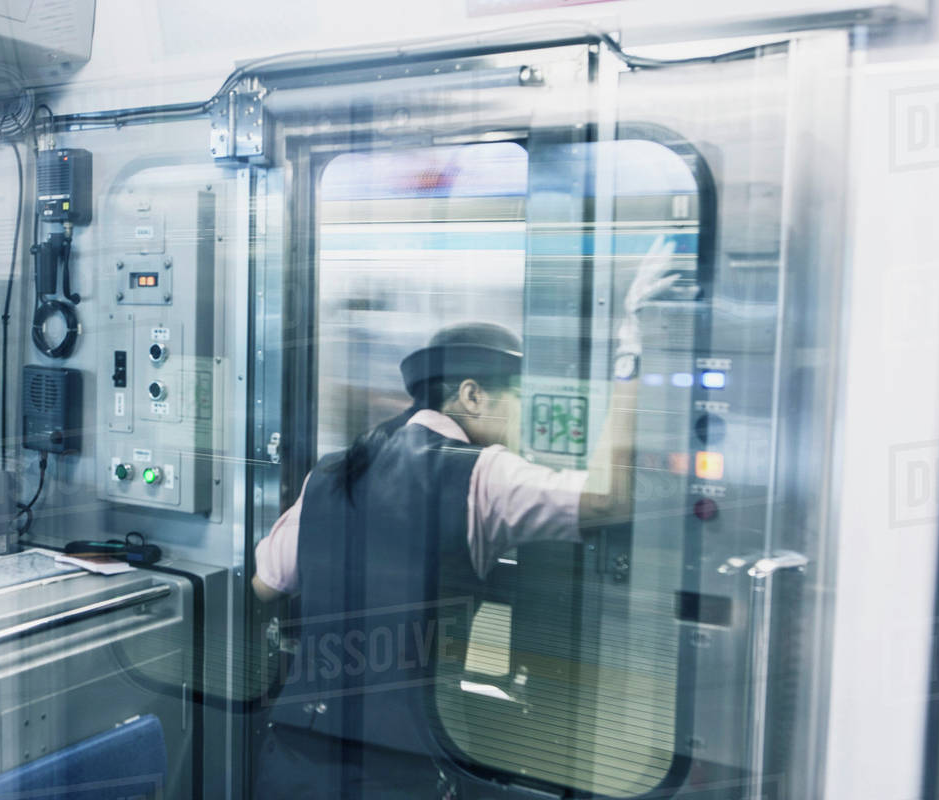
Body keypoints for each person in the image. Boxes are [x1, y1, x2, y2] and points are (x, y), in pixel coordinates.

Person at [251, 237, 678, 798]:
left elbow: (263, 585)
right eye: (520, 400)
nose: (524, 421)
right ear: (472, 395)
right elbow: (608, 498)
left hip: (293, 759)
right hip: (398, 769)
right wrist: (631, 351)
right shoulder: (484, 474)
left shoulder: (334, 470)